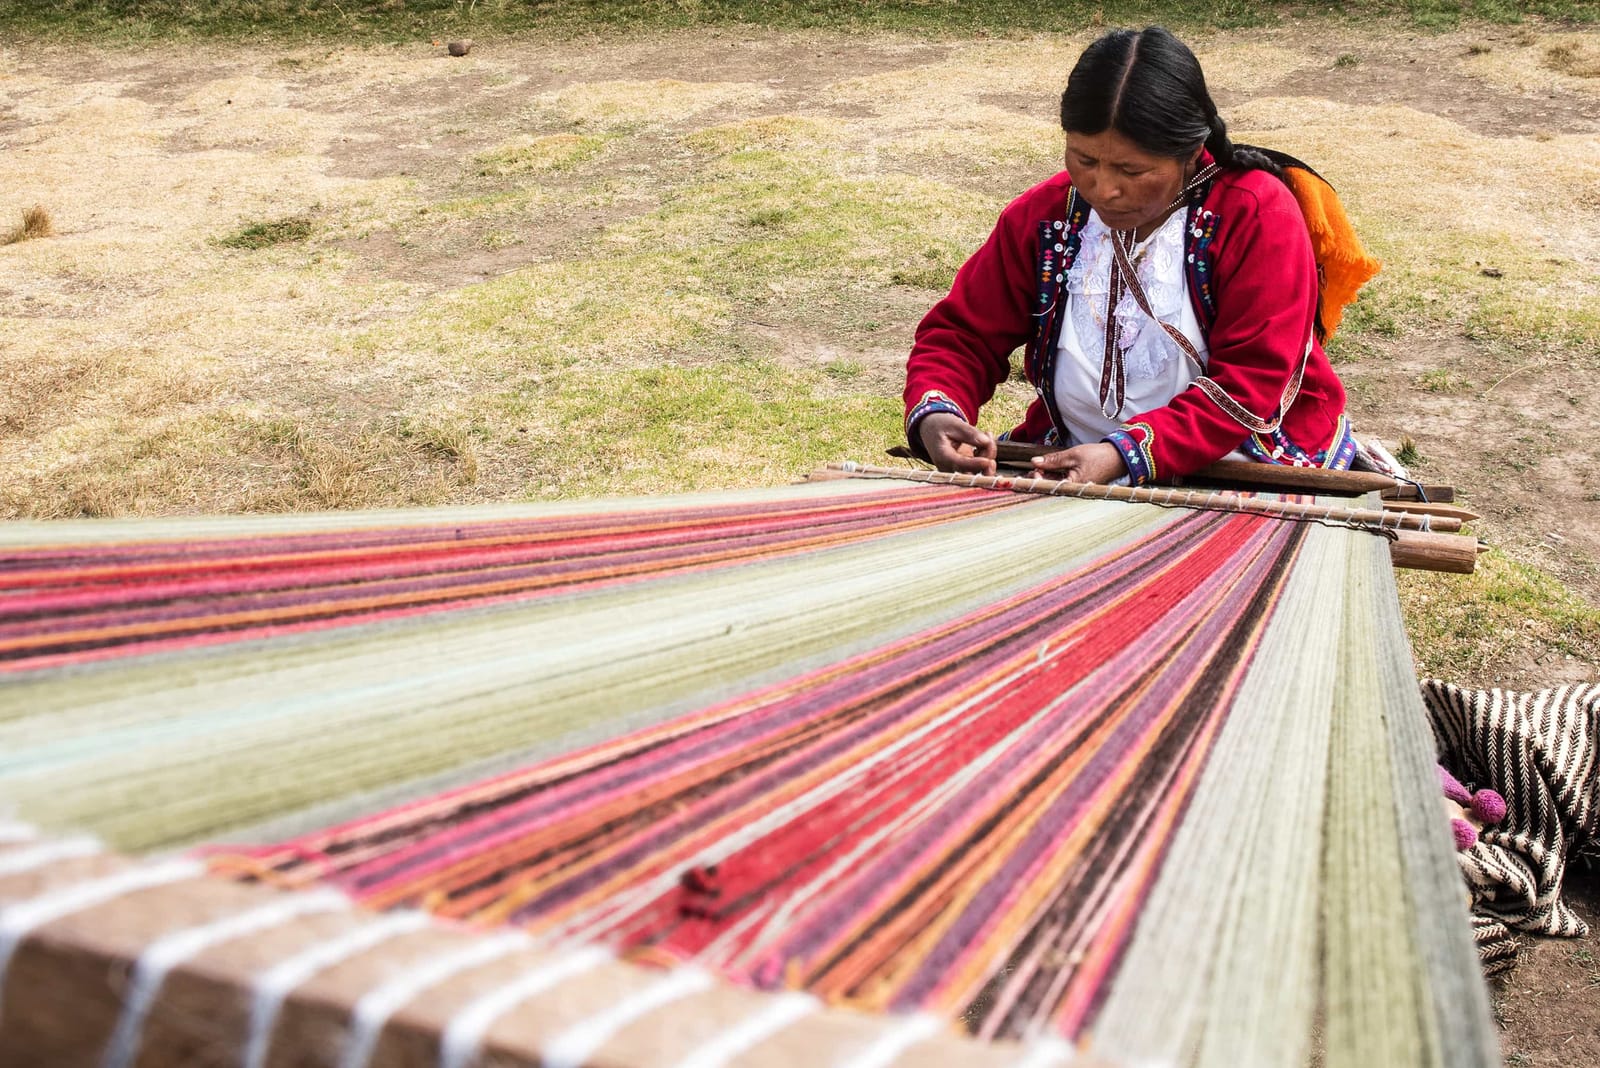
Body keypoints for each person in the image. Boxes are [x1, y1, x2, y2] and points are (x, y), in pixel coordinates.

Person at [903, 26, 1368, 486]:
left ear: (1190, 152)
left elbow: (1252, 380)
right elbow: (963, 334)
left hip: (1238, 462)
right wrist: (937, 411)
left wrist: (1124, 454)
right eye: (1084, 160)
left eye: (1131, 169)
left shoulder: (1254, 213)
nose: (1103, 188)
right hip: (1071, 453)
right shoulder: (1047, 216)